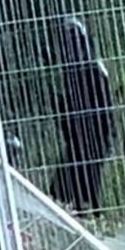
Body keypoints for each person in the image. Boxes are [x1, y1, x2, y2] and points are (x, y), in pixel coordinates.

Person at [47, 16, 115, 216]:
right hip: (80, 138)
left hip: (92, 138)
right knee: (68, 189)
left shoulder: (91, 68)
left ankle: (91, 220)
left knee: (75, 190)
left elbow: (102, 107)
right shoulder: (75, 69)